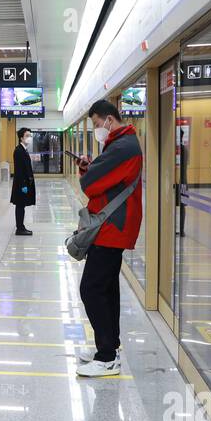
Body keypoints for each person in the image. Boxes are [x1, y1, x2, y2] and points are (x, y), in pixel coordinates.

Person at [76, 100, 143, 378]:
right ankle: (109, 348)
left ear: (108, 120)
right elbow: (99, 178)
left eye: (95, 124)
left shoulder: (123, 147)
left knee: (91, 289)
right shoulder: (119, 144)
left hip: (113, 227)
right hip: (113, 226)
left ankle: (107, 357)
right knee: (106, 289)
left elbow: (91, 184)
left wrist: (89, 173)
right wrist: (91, 169)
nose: (96, 129)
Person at [11, 127, 36, 235]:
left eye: (30, 136)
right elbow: (19, 170)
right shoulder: (18, 151)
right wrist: (23, 185)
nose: (29, 138)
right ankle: (20, 228)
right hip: (22, 184)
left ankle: (21, 226)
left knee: (22, 205)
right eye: (27, 136)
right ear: (21, 138)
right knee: (20, 205)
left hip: (24, 183)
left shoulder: (23, 150)